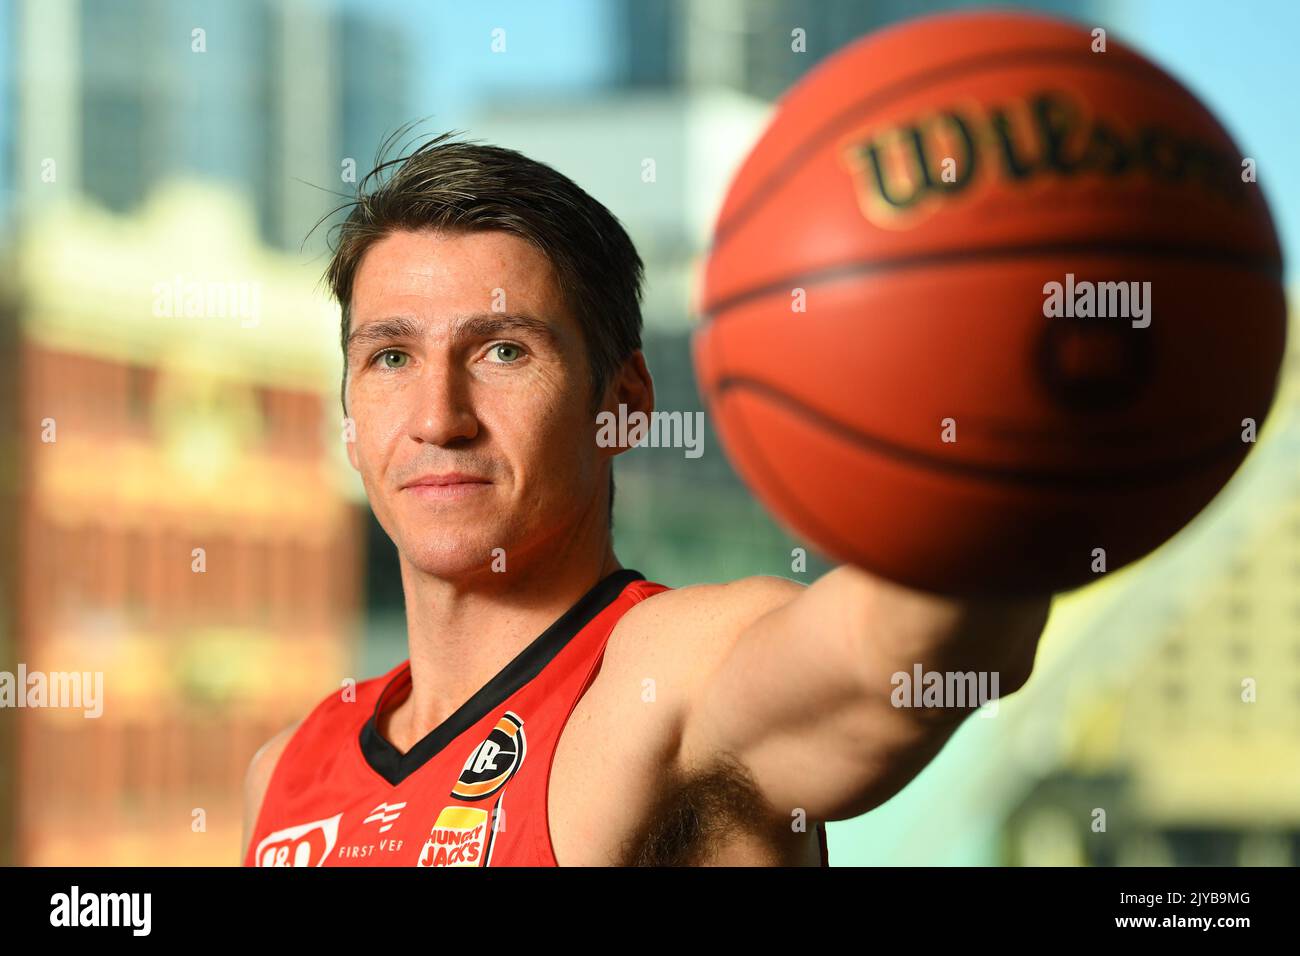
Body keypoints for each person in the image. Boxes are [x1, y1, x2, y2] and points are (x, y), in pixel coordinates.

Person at [241, 131, 1050, 867]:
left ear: (622, 403)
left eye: (503, 350)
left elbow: (913, 653)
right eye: (390, 357)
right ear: (347, 409)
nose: (438, 419)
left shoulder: (671, 676)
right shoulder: (285, 775)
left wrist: (1022, 382)